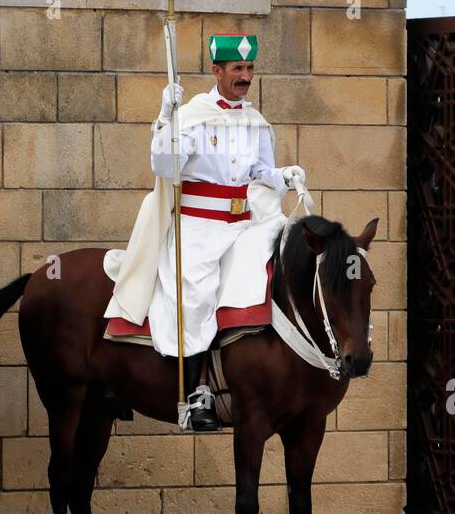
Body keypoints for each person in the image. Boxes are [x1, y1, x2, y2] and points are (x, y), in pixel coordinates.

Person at [104, 33, 305, 430]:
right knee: (195, 293)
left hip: (243, 223)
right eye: (237, 69)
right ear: (217, 70)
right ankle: (196, 394)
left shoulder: (256, 121)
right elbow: (164, 166)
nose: (245, 76)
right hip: (196, 225)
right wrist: (166, 118)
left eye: (249, 69)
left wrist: (283, 175)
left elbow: (259, 174)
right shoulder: (192, 115)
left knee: (274, 273)